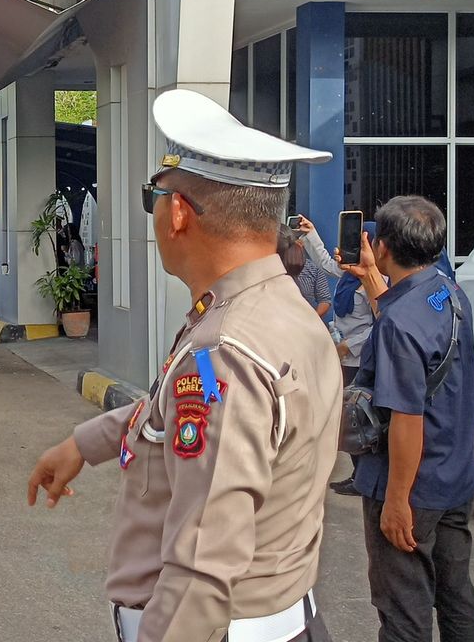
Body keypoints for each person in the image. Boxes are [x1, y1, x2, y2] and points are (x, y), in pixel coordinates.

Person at [28, 89, 340, 642]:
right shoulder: (279, 310)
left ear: (176, 214)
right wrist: (85, 443)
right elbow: (167, 413)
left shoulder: (227, 349)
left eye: (155, 197)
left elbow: (202, 568)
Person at [339, 196, 474, 642]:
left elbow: (406, 417)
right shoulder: (448, 291)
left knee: (403, 613)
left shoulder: (400, 323)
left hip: (412, 490)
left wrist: (397, 501)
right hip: (454, 480)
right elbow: (410, 330)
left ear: (381, 247)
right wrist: (370, 283)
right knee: (456, 598)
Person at [298, 215, 378, 497]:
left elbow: (377, 327)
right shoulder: (348, 275)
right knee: (346, 416)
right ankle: (358, 475)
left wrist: (348, 346)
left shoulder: (373, 282)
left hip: (359, 359)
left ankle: (364, 477)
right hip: (341, 355)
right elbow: (325, 262)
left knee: (360, 420)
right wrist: (312, 232)